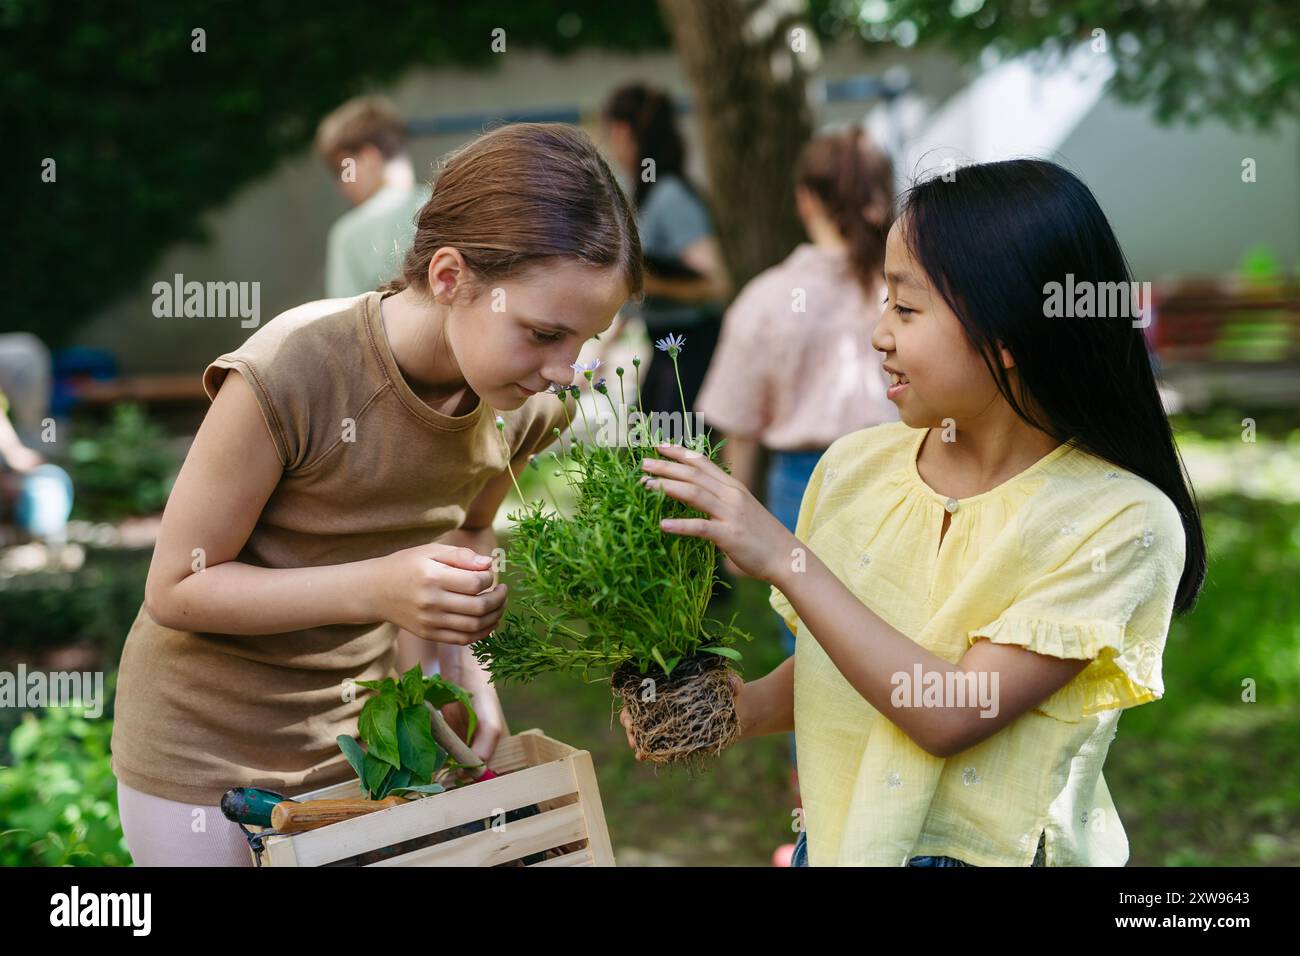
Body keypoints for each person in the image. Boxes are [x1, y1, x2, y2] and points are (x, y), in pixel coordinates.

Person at [624, 159, 1206, 866]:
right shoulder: (854, 468)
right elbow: (841, 673)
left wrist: (786, 557)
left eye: (906, 308)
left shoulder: (1120, 522)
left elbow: (950, 711)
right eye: (882, 304)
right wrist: (722, 710)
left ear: (1005, 333)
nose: (879, 336)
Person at [110, 123, 642, 866]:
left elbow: (468, 534)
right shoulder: (296, 368)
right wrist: (380, 587)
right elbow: (177, 586)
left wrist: (464, 670)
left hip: (369, 747)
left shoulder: (527, 406)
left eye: (585, 342)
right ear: (452, 277)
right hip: (205, 757)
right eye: (542, 333)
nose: (565, 370)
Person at [693, 125, 898, 865]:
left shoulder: (771, 297)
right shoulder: (905, 286)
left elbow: (738, 424)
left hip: (801, 483)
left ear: (804, 198)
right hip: (907, 471)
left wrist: (733, 518)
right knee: (905, 640)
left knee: (812, 664)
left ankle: (819, 831)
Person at [601, 84, 729, 418]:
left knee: (660, 449)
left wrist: (645, 284)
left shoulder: (670, 197)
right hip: (664, 346)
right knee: (642, 446)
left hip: (691, 350)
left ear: (622, 130)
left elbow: (715, 285)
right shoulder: (646, 194)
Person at [316, 96, 431, 298]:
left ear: (368, 157)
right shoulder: (443, 200)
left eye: (341, 170)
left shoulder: (347, 234)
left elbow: (344, 320)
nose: (341, 186)